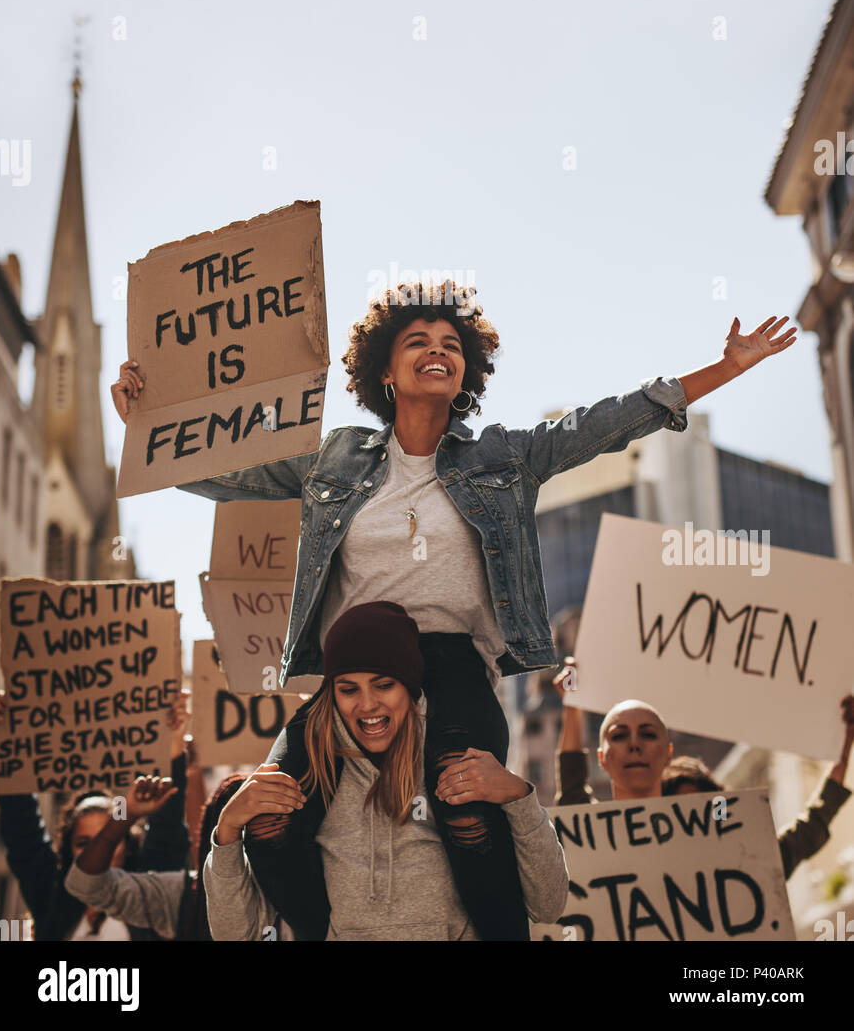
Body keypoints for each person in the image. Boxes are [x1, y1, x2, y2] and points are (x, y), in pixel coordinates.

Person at [112, 282, 794, 938]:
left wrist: (724, 369)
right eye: (417, 340)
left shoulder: (503, 454)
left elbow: (601, 426)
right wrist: (142, 421)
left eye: (451, 342)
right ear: (384, 367)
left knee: (461, 798)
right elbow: (228, 473)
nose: (437, 349)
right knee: (265, 809)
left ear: (466, 368)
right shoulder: (337, 456)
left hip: (450, 658)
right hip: (355, 669)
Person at [203, 600, 568, 941]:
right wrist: (228, 829)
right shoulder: (316, 779)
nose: (367, 705)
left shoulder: (457, 765)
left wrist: (520, 798)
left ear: (410, 688)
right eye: (348, 689)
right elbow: (236, 934)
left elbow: (548, 905)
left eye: (384, 685)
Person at [0, 690, 190, 941]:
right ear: (68, 850)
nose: (99, 850)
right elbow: (22, 833)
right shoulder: (50, 894)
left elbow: (167, 830)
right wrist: (5, 746)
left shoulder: (149, 896)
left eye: (111, 839)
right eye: (84, 843)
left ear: (127, 845)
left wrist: (172, 747)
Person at [63, 771, 285, 941]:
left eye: (261, 829)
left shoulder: (307, 887)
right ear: (211, 838)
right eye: (230, 838)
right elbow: (84, 884)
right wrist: (125, 811)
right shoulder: (181, 895)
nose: (239, 853)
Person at [662, 695, 854, 880]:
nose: (693, 825)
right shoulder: (653, 886)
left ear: (720, 815)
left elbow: (815, 821)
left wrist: (846, 738)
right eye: (683, 816)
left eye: (700, 813)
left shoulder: (757, 868)